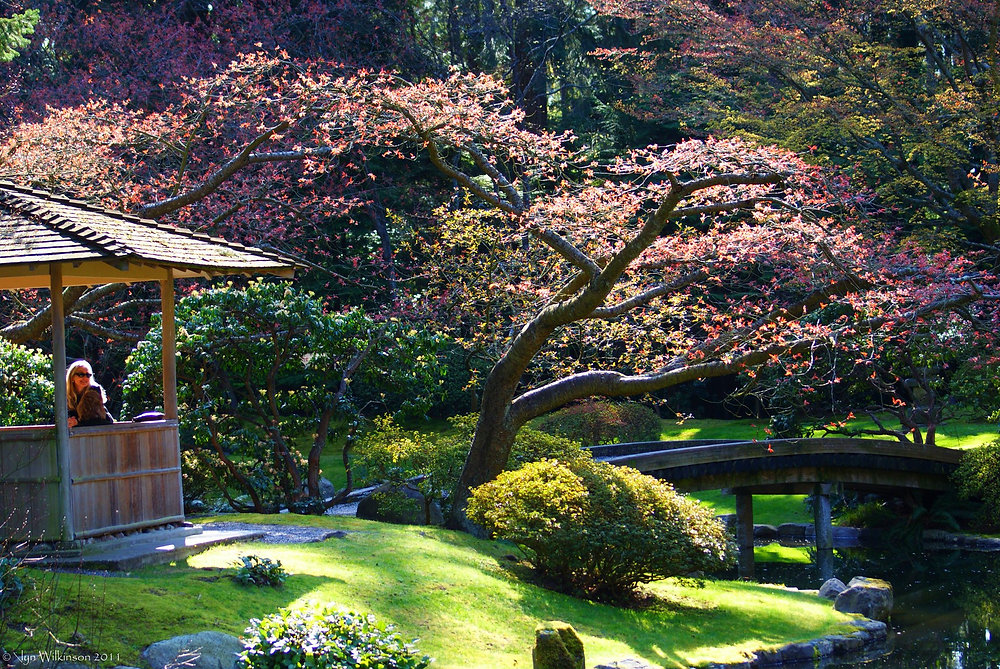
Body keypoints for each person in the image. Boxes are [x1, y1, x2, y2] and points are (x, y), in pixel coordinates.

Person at [66, 360, 114, 427]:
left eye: (88, 375)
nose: (85, 378)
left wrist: (78, 423)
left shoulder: (93, 391)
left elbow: (96, 420)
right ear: (72, 377)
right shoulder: (65, 394)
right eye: (81, 375)